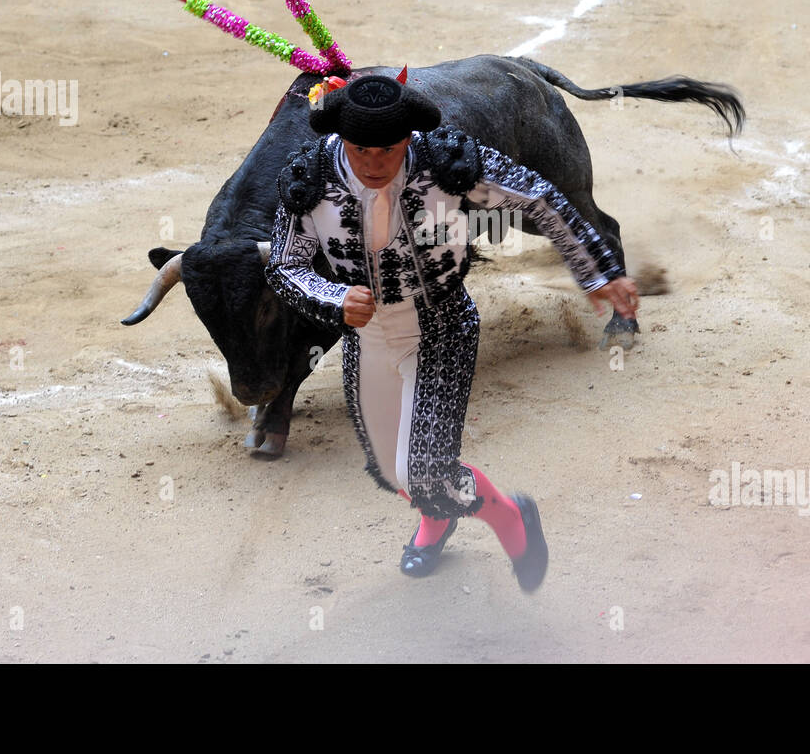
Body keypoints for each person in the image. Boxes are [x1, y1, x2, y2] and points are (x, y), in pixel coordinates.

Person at [265, 73, 638, 591]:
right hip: (367, 338)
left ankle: (510, 518)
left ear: (409, 139)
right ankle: (436, 520)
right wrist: (332, 297)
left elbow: (538, 198)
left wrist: (597, 269)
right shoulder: (309, 177)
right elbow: (285, 267)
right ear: (341, 141)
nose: (374, 164)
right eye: (360, 150)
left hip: (440, 327)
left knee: (424, 468)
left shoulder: (446, 162)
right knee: (394, 471)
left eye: (388, 150)